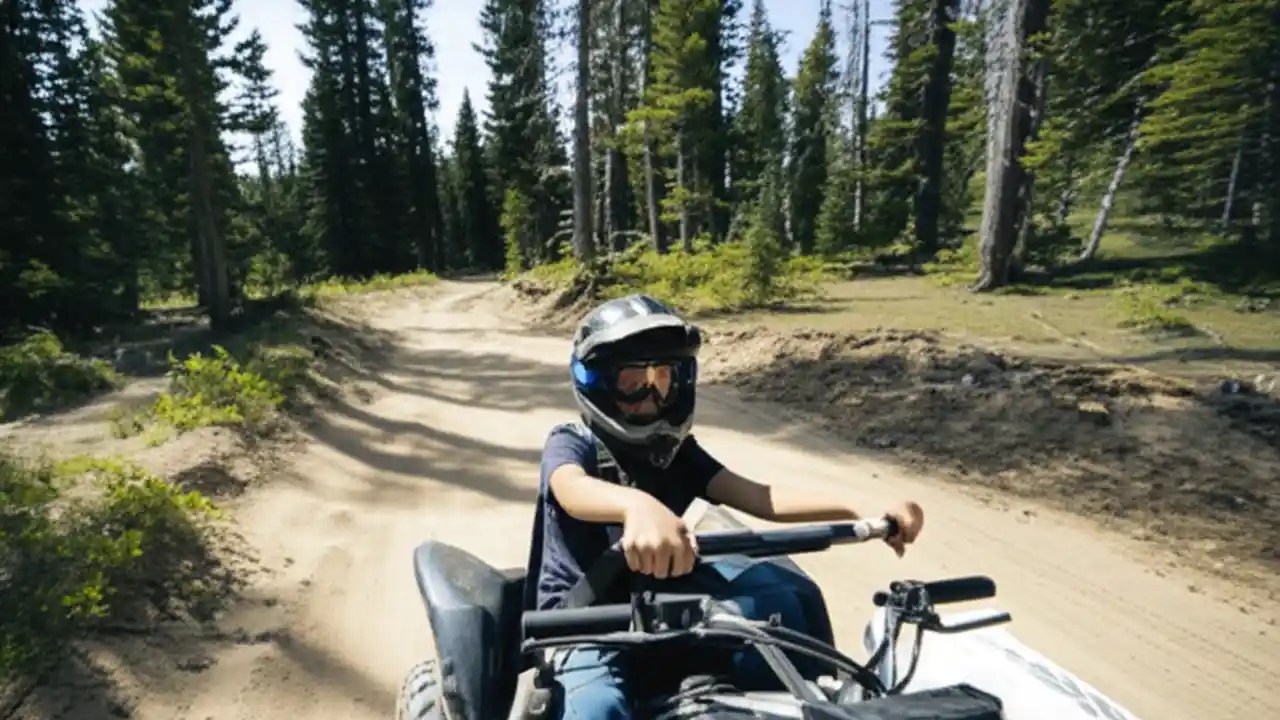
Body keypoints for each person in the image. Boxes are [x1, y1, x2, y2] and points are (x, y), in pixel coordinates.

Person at [525, 293, 924, 719]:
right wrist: (634, 505)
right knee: (596, 707)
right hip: (586, 620)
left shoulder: (680, 454)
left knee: (792, 609)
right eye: (633, 382)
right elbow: (570, 487)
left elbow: (760, 497)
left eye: (664, 380)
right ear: (597, 384)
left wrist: (860, 505)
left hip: (668, 604)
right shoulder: (572, 442)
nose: (652, 395)